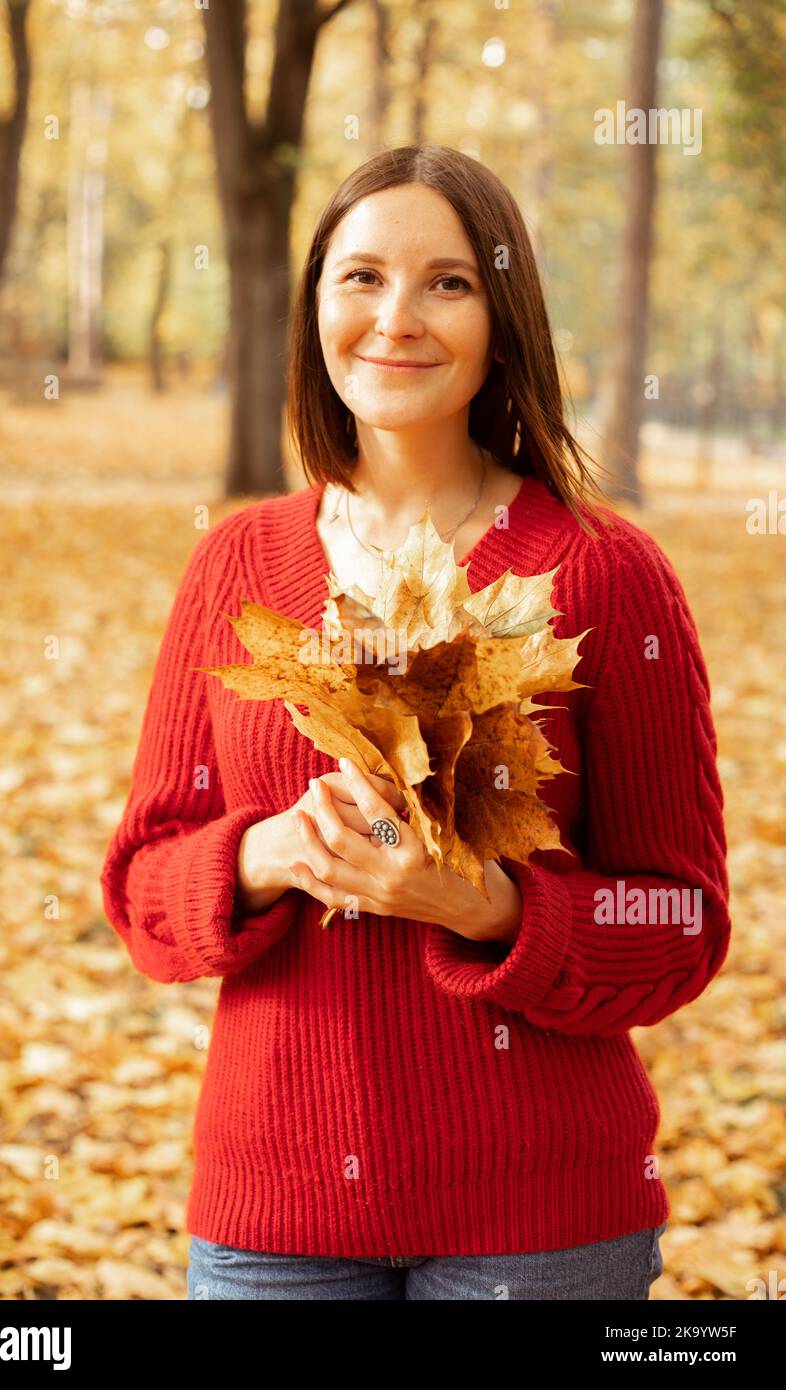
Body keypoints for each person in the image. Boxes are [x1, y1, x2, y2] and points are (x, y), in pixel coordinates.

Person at [100, 145, 730, 1301]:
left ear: (502, 319)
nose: (396, 317)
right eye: (360, 277)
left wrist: (482, 907)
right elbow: (143, 883)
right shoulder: (237, 565)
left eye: (447, 282)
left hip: (537, 1217)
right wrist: (265, 854)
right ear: (313, 306)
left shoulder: (603, 574)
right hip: (273, 1211)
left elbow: (679, 920)